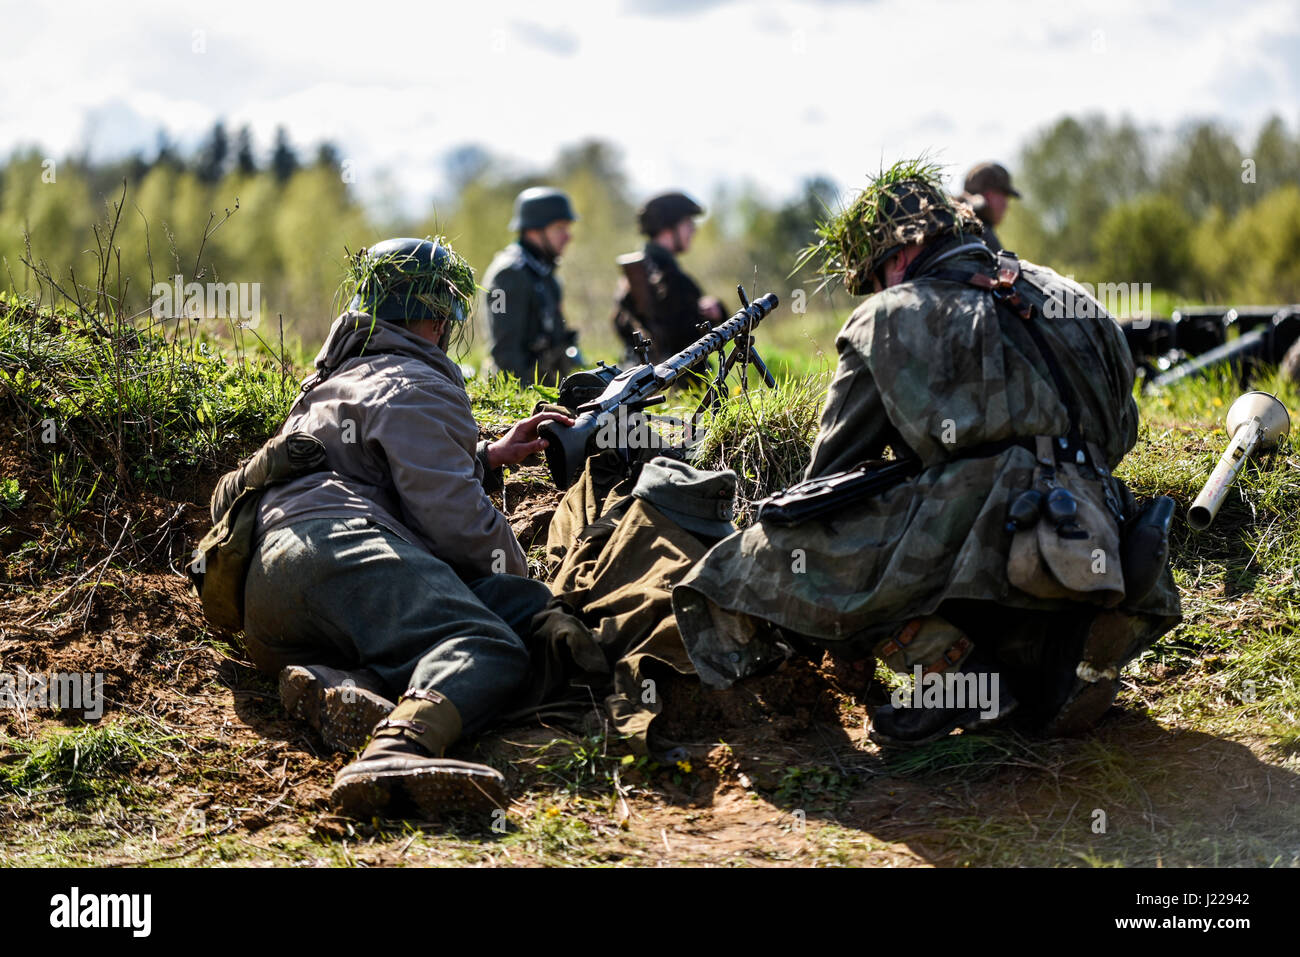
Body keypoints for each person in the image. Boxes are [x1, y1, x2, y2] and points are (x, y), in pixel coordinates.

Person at [673, 161, 1181, 745]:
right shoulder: (1073, 296)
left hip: (989, 524)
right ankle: (1057, 653)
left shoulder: (890, 316)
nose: (882, 289)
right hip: (1098, 525)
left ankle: (955, 671)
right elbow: (1123, 434)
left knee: (774, 551)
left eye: (877, 276)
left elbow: (827, 477)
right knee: (1001, 557)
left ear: (899, 255)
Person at [241, 237, 572, 818]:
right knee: (487, 640)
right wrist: (523, 574)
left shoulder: (334, 380)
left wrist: (486, 457)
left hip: (272, 592)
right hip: (343, 553)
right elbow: (459, 527)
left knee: (478, 615)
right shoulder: (418, 382)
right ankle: (398, 750)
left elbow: (382, 463)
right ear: (437, 318)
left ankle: (337, 683)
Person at [612, 191, 725, 363]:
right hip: (678, 382)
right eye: (687, 223)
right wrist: (715, 313)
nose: (693, 229)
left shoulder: (638, 273)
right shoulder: (670, 278)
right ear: (667, 229)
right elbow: (687, 336)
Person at [482, 187, 580, 385]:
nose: (568, 236)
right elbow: (505, 354)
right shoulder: (508, 274)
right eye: (560, 228)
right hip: (521, 393)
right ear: (534, 230)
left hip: (549, 387)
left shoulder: (543, 273)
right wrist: (534, 399)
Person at [958, 161, 1020, 253]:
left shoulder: (949, 219)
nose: (1006, 205)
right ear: (989, 195)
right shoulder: (982, 231)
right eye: (1005, 196)